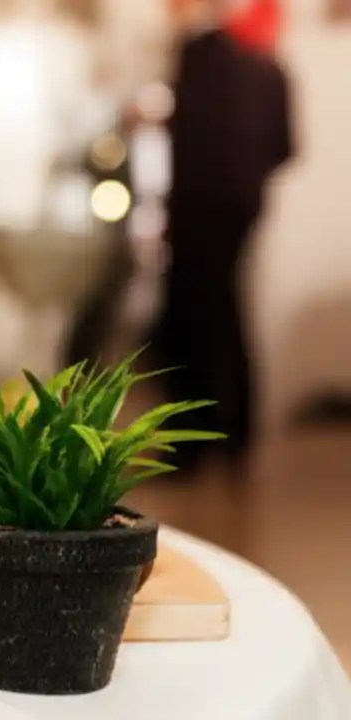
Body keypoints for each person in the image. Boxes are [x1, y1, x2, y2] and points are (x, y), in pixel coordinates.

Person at [159, 0, 294, 463]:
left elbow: (186, 143)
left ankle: (192, 444)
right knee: (229, 315)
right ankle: (236, 435)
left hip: (199, 212)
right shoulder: (270, 69)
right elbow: (285, 148)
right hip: (240, 211)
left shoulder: (199, 57)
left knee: (192, 323)